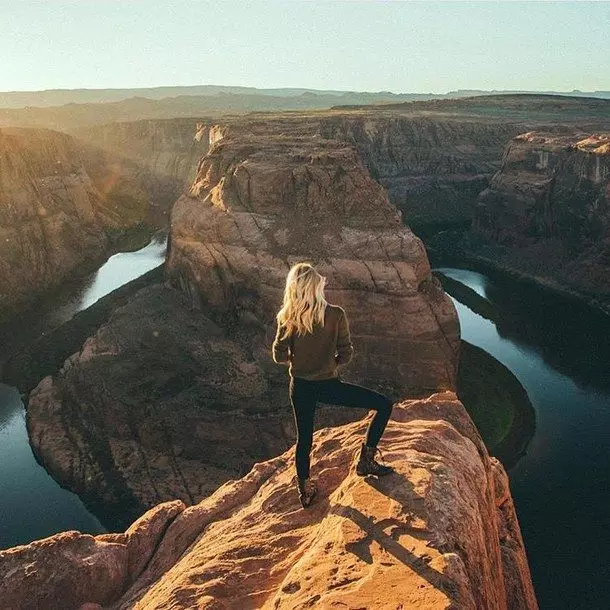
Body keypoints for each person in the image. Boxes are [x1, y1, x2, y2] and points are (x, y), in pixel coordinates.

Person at [272, 262, 394, 508]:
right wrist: (329, 364)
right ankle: (366, 461)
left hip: (301, 386)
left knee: (304, 440)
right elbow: (346, 352)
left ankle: (305, 490)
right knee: (383, 405)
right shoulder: (336, 314)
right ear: (316, 287)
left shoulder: (288, 317)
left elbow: (278, 355)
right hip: (328, 384)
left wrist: (298, 359)